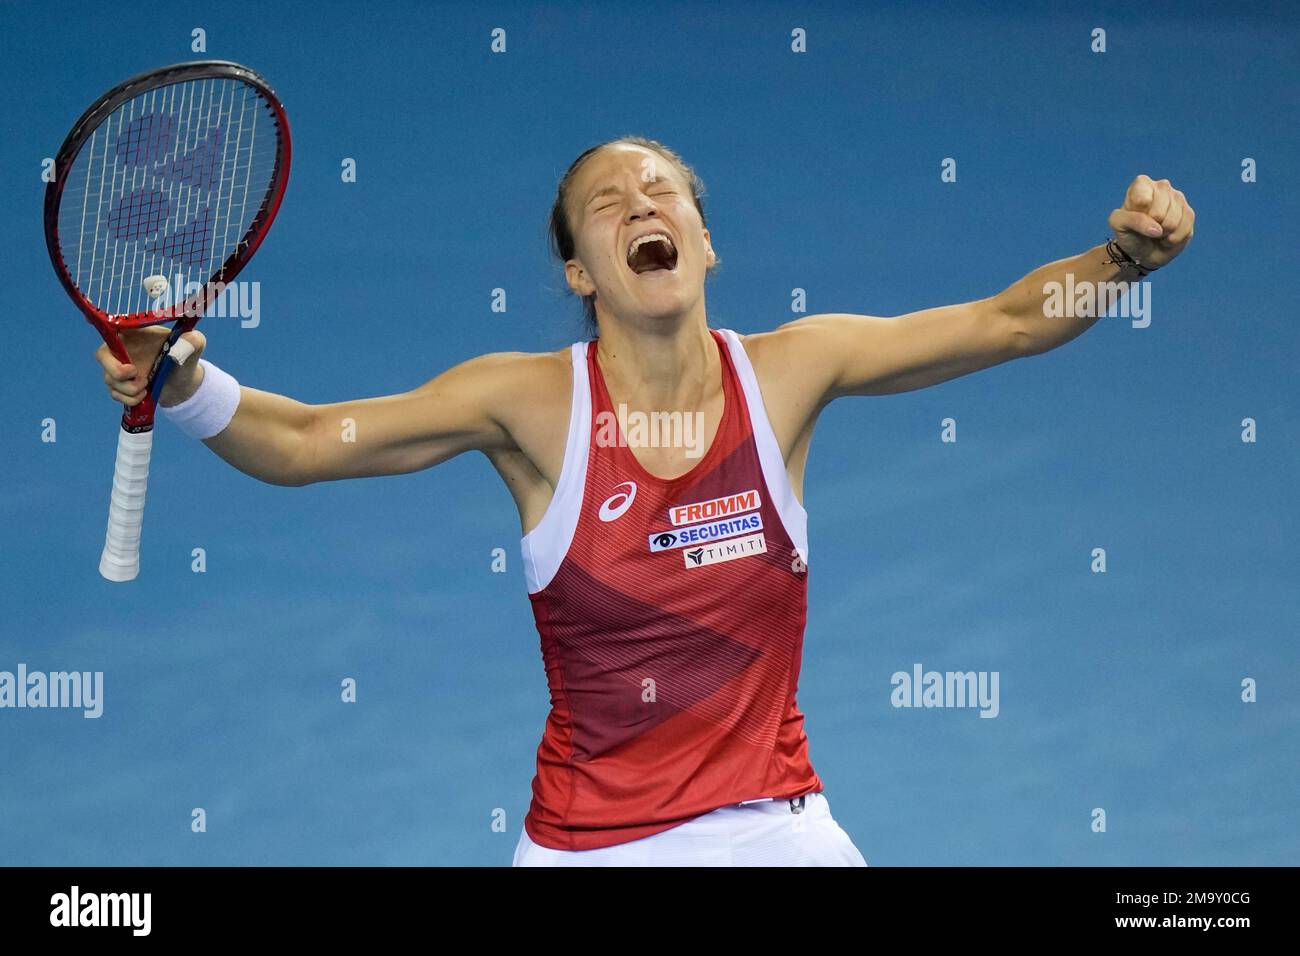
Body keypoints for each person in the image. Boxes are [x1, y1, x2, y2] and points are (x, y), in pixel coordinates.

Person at [95, 136, 1194, 866]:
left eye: (663, 191)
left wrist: (1121, 260)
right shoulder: (525, 403)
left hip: (779, 825)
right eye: (608, 206)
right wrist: (190, 383)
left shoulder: (790, 372)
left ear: (704, 240)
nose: (642, 205)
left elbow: (1003, 320)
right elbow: (301, 441)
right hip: (592, 846)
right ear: (582, 272)